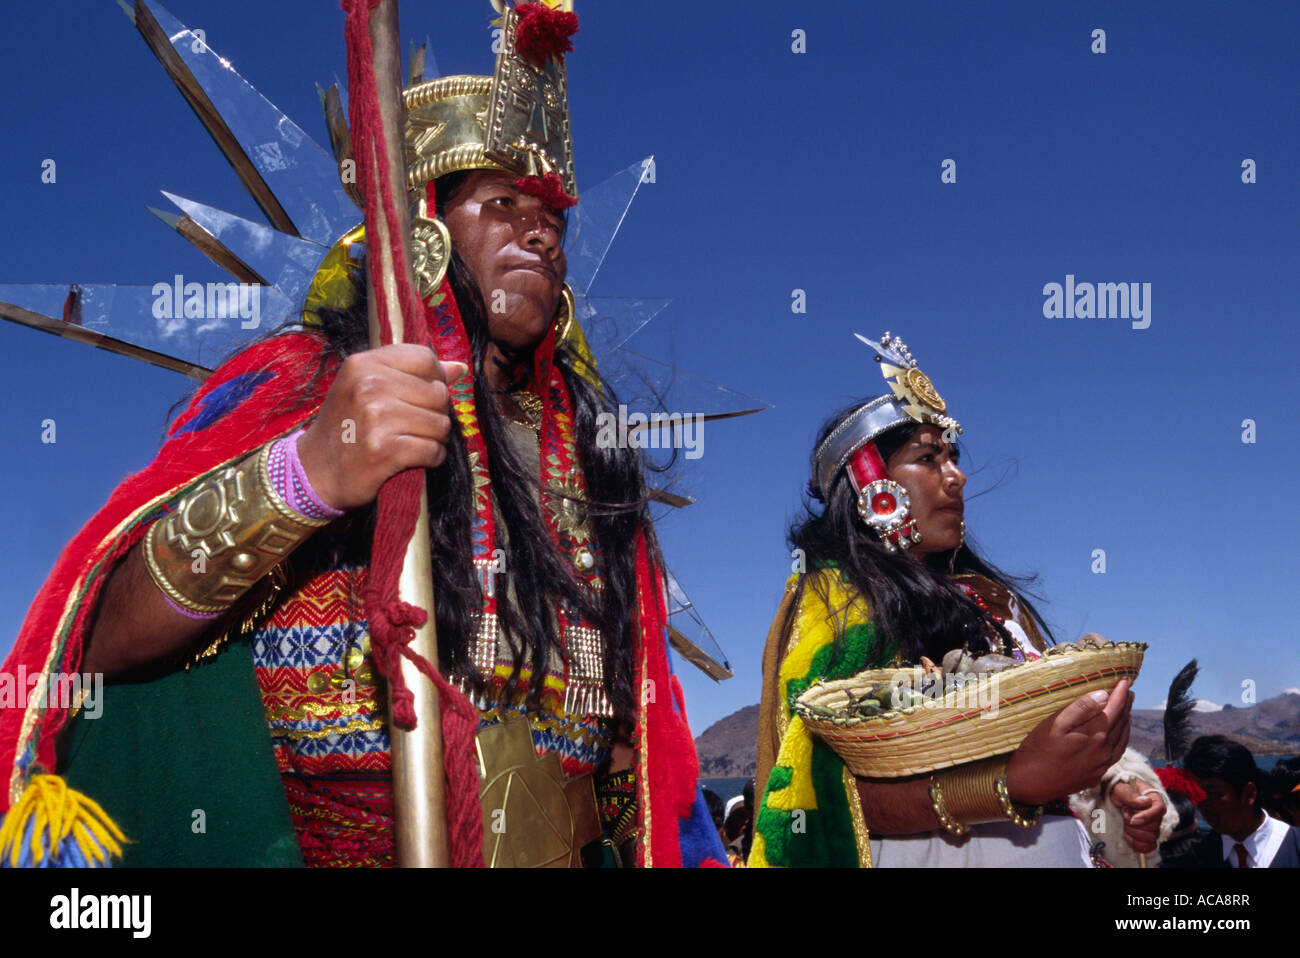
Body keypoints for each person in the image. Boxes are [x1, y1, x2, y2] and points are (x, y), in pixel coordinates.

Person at [0, 2, 724, 869]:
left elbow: (639, 754)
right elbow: (100, 639)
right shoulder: (300, 388)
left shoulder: (587, 452)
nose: (543, 233)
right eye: (502, 203)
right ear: (423, 225)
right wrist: (308, 475)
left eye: (553, 219)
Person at [751, 332, 1173, 868]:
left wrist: (1113, 783)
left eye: (952, 455)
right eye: (928, 458)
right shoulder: (832, 603)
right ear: (871, 484)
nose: (957, 475)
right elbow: (818, 790)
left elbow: (1044, 735)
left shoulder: (991, 600)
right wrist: (1010, 784)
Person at [1179, 736, 1300, 868]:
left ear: (1249, 794)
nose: (1202, 803)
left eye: (1213, 793)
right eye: (1196, 793)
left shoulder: (1295, 845)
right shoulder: (1196, 857)